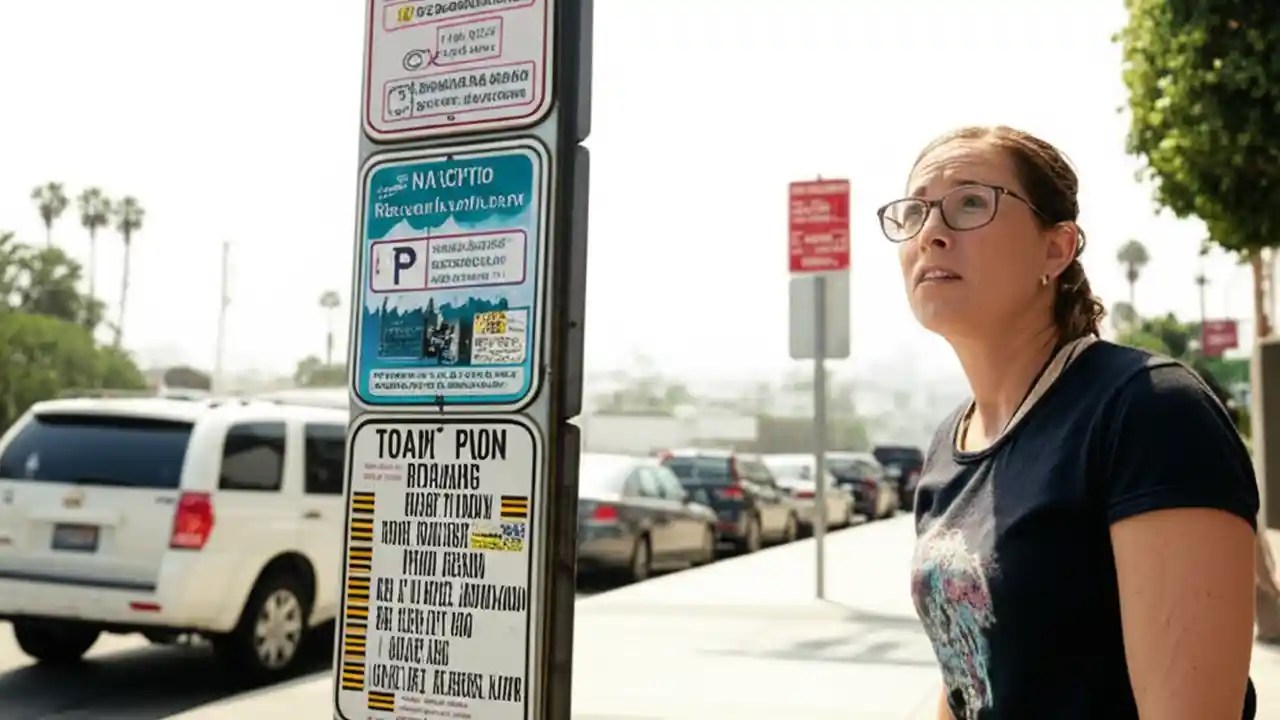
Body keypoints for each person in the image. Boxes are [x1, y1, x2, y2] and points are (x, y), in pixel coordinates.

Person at [880, 125, 1259, 719]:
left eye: (971, 203)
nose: (931, 232)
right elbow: (971, 683)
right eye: (914, 212)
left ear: (1056, 249)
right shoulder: (949, 445)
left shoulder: (1148, 411)